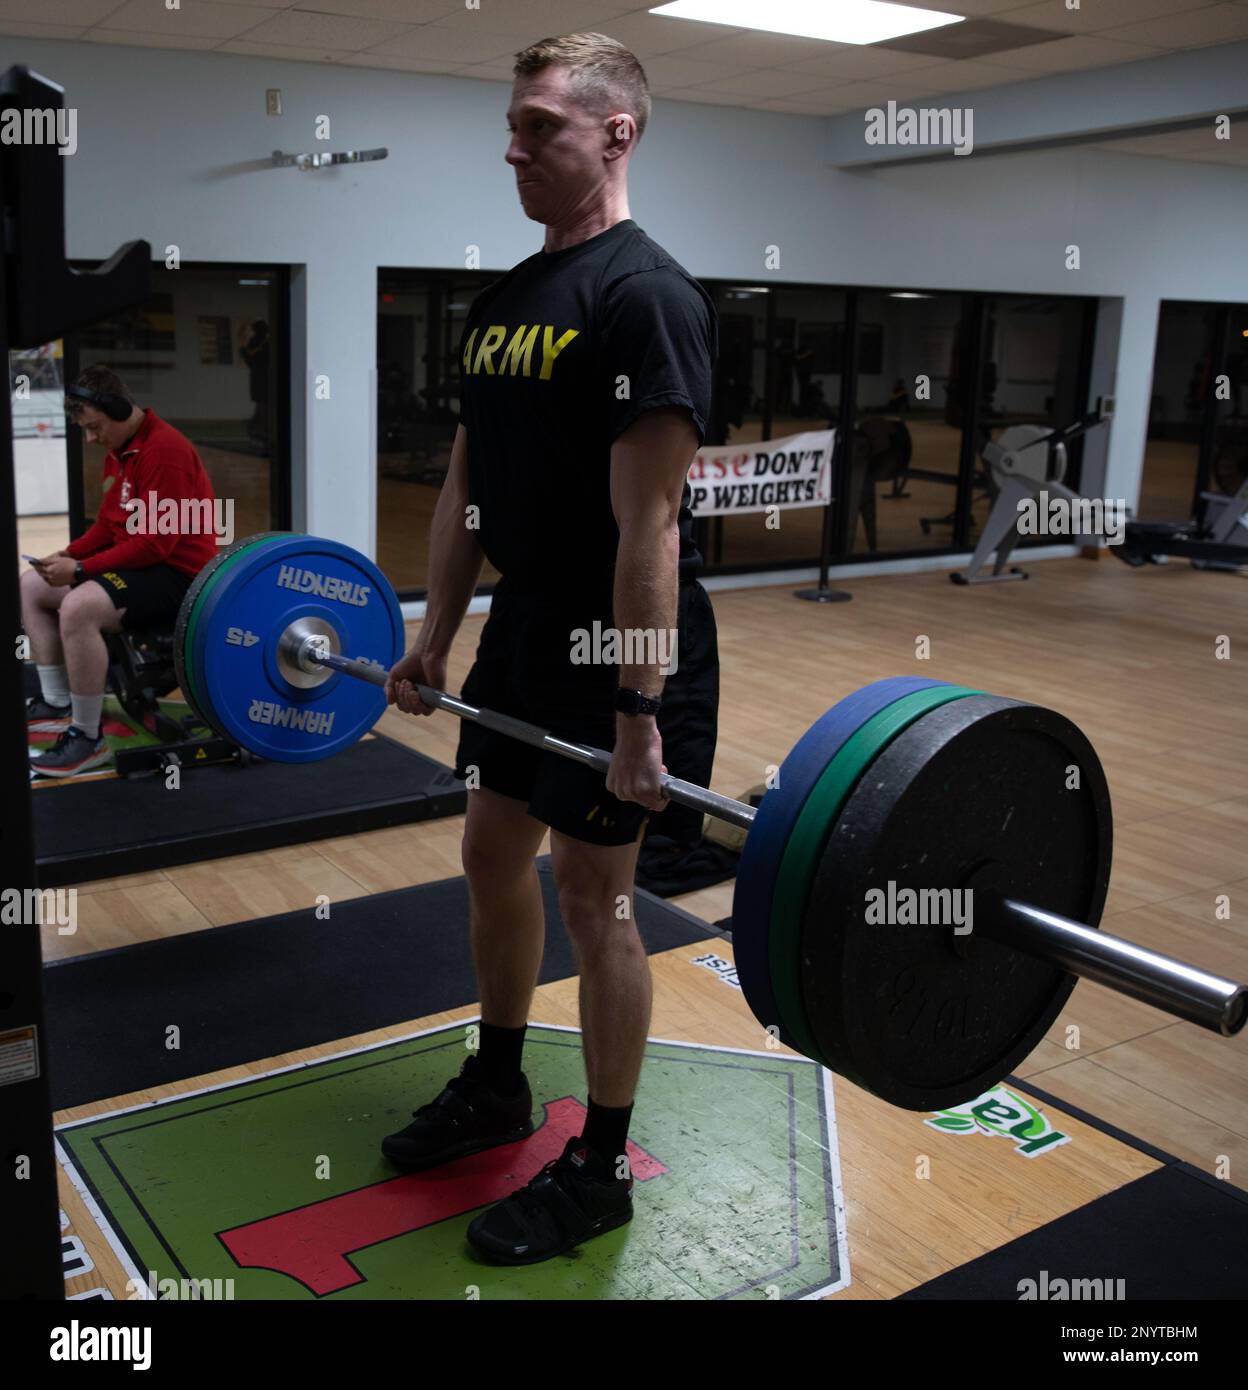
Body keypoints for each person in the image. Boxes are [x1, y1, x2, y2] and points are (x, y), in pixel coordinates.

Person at [381, 31, 720, 1264]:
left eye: (539, 126)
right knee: (488, 851)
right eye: (513, 126)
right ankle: (500, 1080)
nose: (513, 147)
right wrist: (433, 635)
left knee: (599, 896)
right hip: (527, 631)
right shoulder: (506, 301)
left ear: (615, 133)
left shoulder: (648, 298)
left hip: (619, 644)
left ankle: (600, 1162)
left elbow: (653, 525)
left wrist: (640, 710)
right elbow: (472, 482)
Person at [23, 366, 218, 776]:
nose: (92, 439)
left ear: (118, 409)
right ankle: (58, 701)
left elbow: (155, 544)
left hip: (179, 577)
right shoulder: (120, 453)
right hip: (145, 566)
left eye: (94, 427)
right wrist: (63, 556)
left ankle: (87, 738)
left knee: (78, 607)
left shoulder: (165, 452)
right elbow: (110, 527)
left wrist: (80, 570)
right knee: (31, 587)